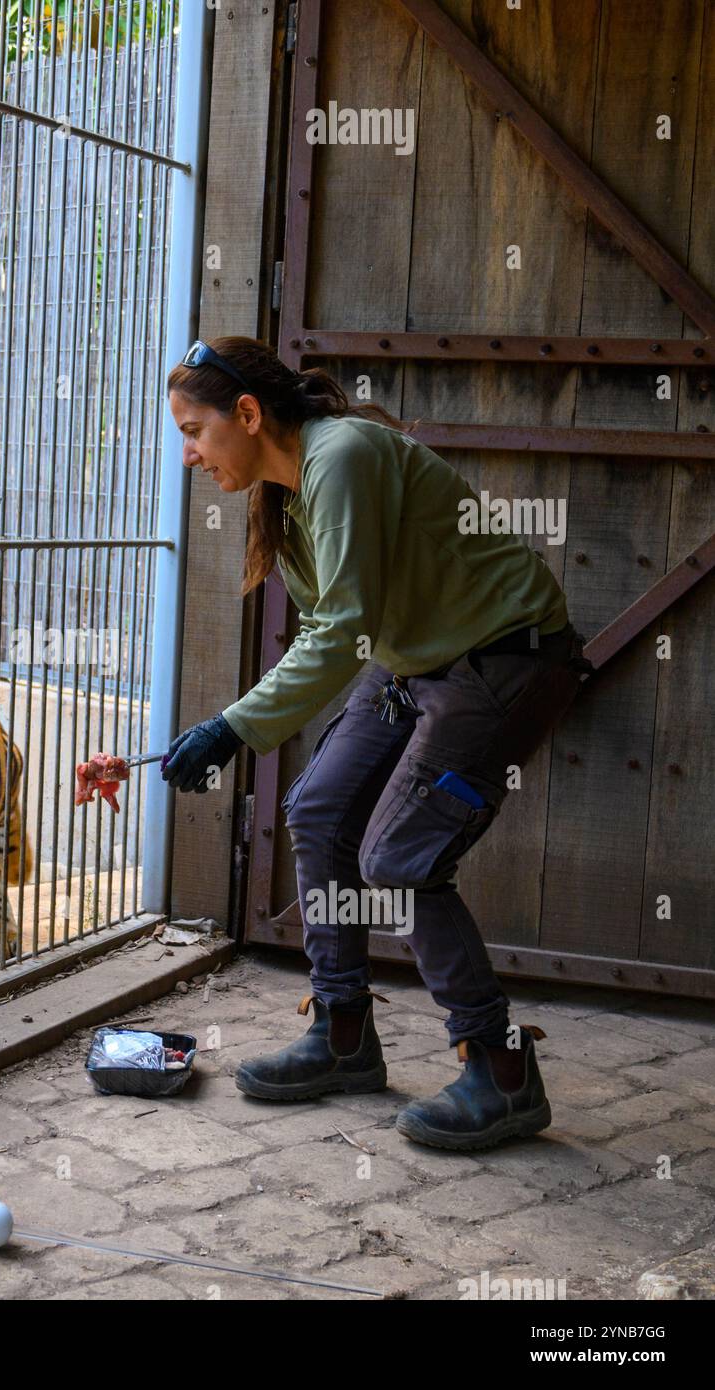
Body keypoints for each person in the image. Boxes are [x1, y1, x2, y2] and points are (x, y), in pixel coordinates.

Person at [160, 335, 593, 1152]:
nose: (188, 454)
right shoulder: (287, 491)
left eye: (195, 430)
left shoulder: (343, 455)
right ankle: (344, 1036)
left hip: (503, 657)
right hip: (418, 662)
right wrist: (232, 727)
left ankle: (502, 1075)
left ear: (247, 415)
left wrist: (233, 729)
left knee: (401, 859)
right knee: (321, 812)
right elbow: (341, 630)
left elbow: (343, 630)